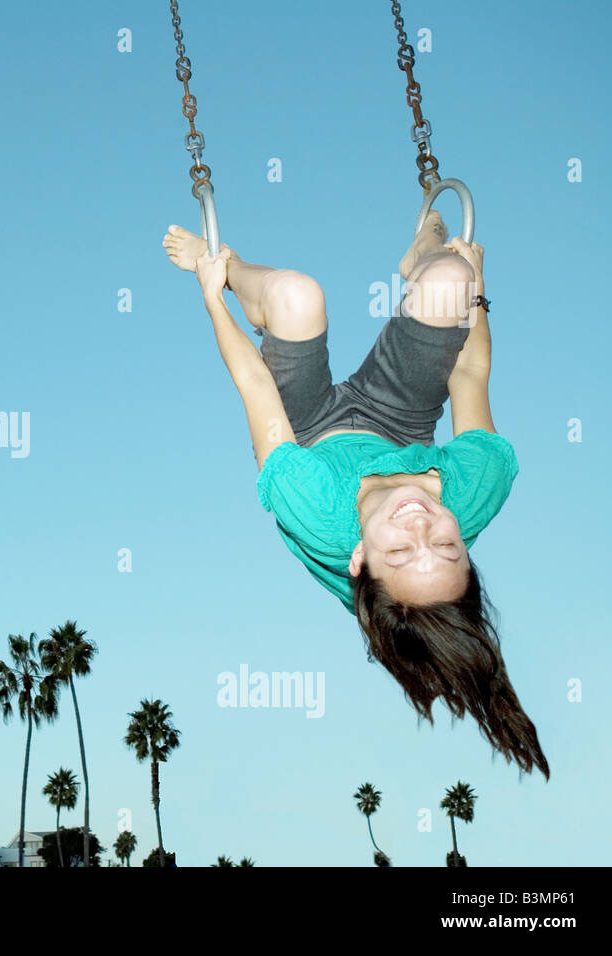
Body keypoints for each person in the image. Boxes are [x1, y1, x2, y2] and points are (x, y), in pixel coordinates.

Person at [164, 211, 548, 777]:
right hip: (398, 418)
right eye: (445, 548)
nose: (420, 526)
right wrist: (476, 292)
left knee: (296, 296)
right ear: (465, 545)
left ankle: (236, 275)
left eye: (399, 552)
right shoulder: (475, 489)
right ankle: (421, 256)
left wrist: (212, 294)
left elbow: (254, 383)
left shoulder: (316, 511)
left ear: (361, 558)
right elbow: (470, 373)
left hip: (309, 430)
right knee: (449, 282)